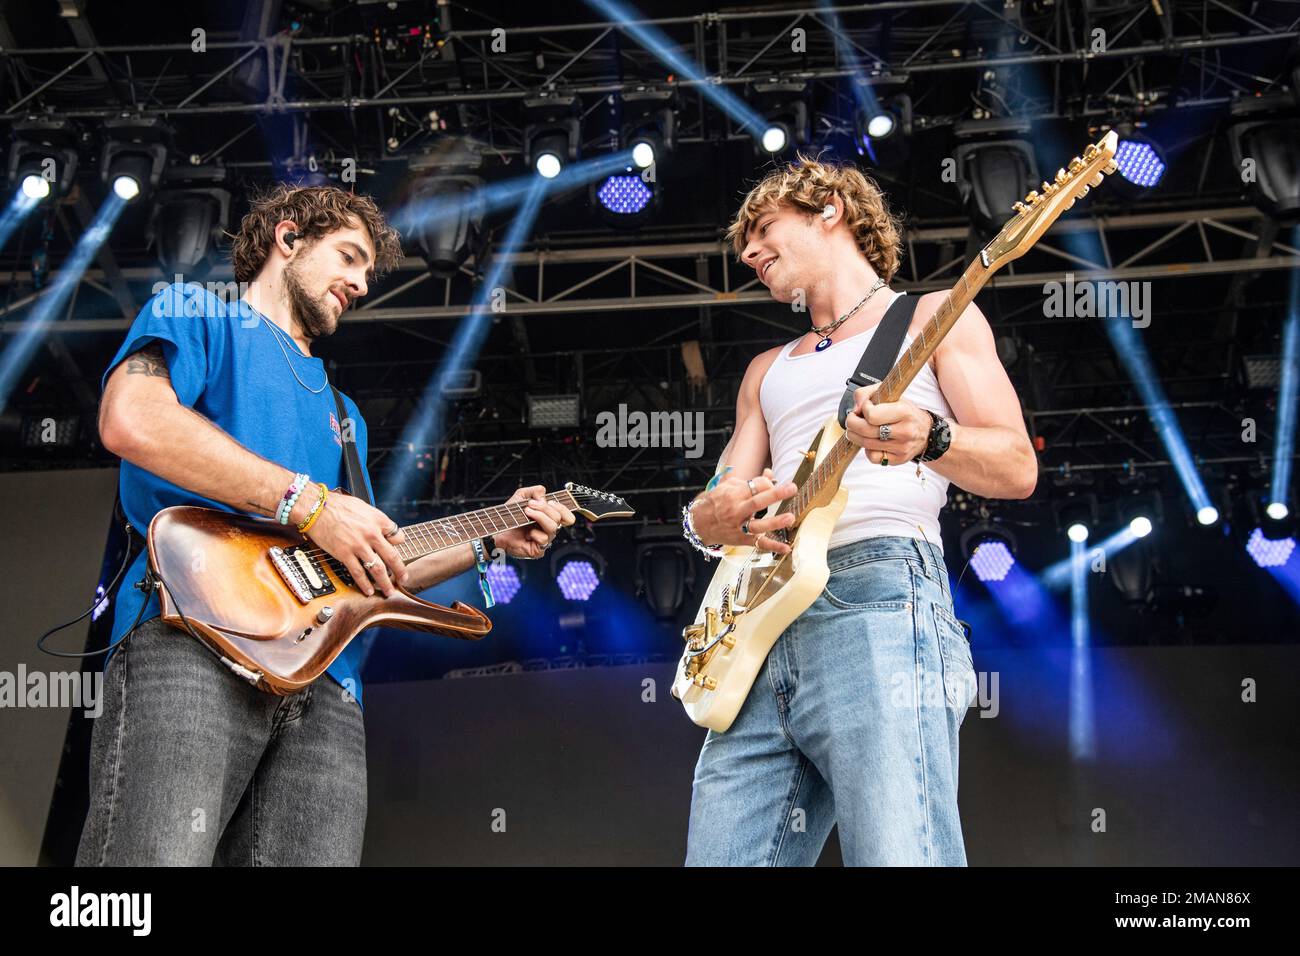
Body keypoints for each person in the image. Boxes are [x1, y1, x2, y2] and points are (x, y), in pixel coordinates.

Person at [78, 183, 574, 865]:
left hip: (326, 686)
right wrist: (308, 503)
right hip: (192, 633)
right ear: (287, 241)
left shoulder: (347, 416)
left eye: (367, 270)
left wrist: (489, 539)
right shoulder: (199, 315)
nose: (361, 283)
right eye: (348, 257)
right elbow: (132, 419)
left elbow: (371, 567)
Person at [681, 153, 1037, 866]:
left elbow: (1017, 466)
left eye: (763, 227)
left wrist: (933, 437)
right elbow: (718, 496)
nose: (748, 250)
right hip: (757, 627)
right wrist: (706, 522)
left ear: (830, 210)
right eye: (744, 242)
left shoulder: (935, 317)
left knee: (899, 851)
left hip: (876, 595)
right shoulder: (764, 370)